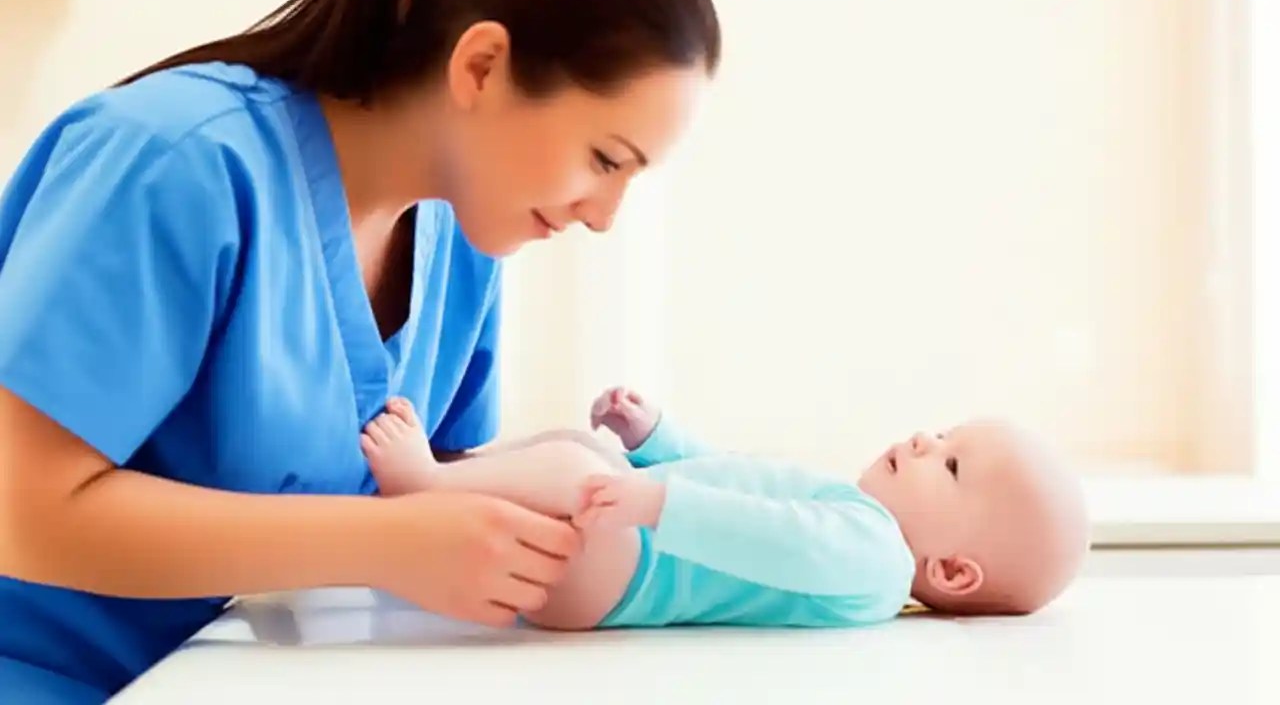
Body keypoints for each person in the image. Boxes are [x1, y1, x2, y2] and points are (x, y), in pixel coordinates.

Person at [0, 0, 720, 701]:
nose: (604, 217)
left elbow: (418, 479)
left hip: (224, 671)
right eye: (604, 160)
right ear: (482, 66)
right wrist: (389, 541)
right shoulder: (176, 163)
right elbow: (21, 512)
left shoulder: (465, 235)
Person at [360, 387, 1091, 629]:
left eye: (953, 463)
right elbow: (737, 482)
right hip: (626, 553)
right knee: (572, 452)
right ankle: (443, 490)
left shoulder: (876, 560)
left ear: (954, 571)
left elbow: (772, 537)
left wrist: (655, 500)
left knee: (575, 470)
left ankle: (427, 484)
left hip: (630, 572)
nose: (928, 439)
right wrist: (656, 442)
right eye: (947, 431)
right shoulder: (855, 528)